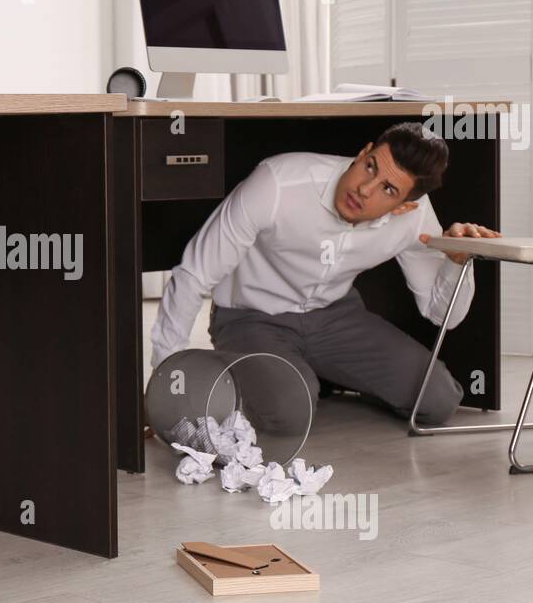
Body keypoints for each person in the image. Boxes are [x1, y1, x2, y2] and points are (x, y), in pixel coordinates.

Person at [150, 122, 501, 430]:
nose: (365, 188)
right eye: (370, 167)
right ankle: (256, 375)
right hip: (252, 317)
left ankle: (309, 375)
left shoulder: (414, 216)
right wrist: (168, 383)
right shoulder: (278, 183)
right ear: (364, 152)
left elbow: (443, 315)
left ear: (405, 206)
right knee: (290, 415)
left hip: (336, 316)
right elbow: (194, 274)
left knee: (439, 400)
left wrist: (457, 261)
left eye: (388, 190)